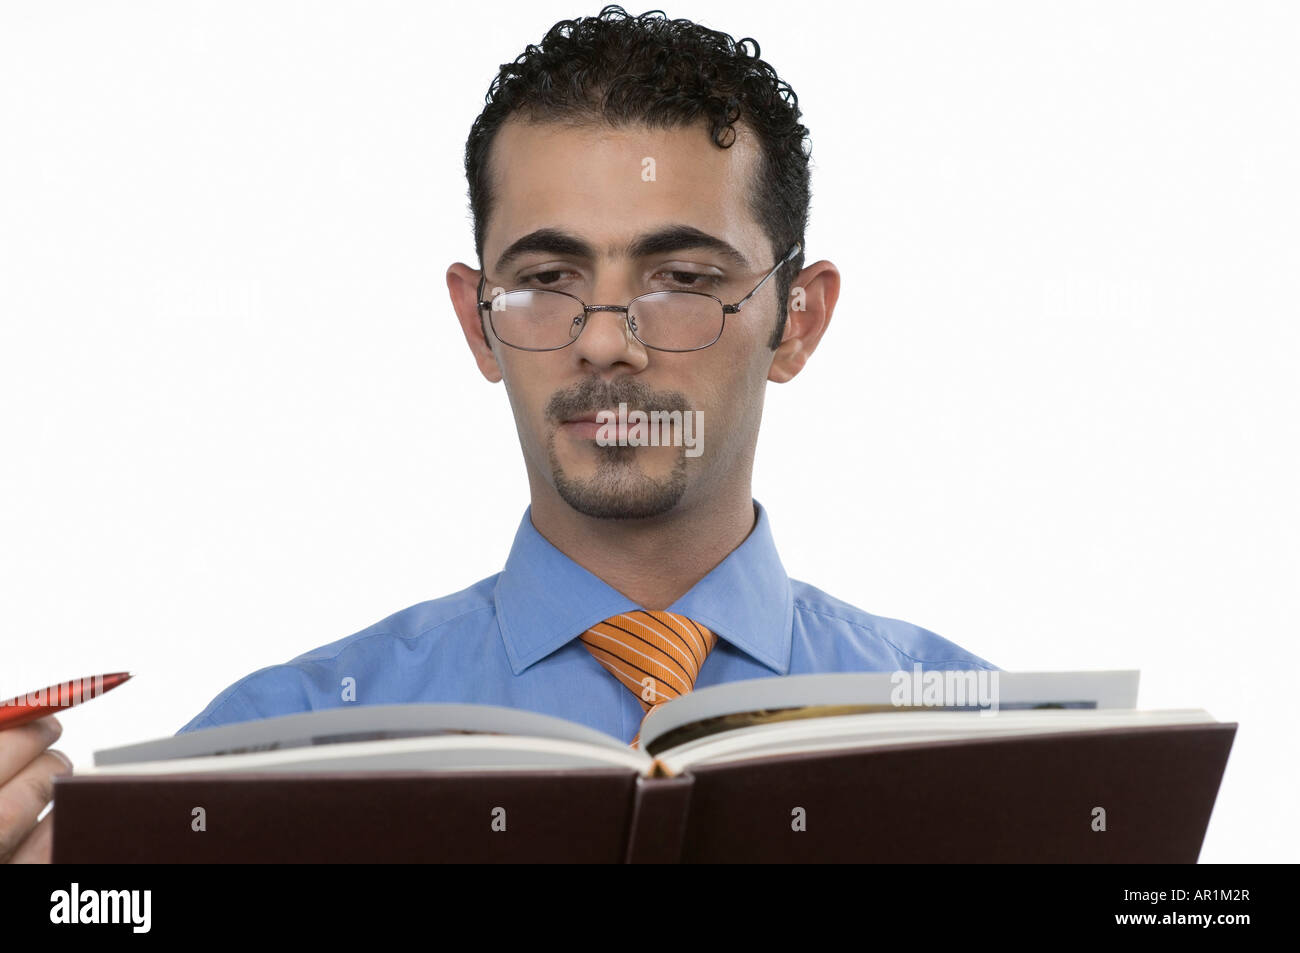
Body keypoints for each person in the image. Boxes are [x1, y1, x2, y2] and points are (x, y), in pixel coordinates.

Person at [1, 4, 994, 864]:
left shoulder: (986, 748)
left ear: (798, 320)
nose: (608, 341)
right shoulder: (264, 752)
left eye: (682, 278)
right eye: (549, 278)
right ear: (477, 319)